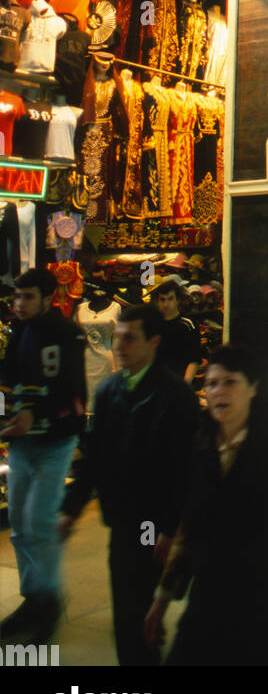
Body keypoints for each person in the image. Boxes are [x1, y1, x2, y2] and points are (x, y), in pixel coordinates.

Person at [144, 343, 268, 665]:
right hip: (210, 595)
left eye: (230, 382)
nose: (218, 391)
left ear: (253, 387)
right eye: (211, 383)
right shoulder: (201, 444)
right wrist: (162, 598)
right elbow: (189, 525)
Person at [60, 304, 198, 665]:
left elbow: (184, 468)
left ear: (153, 341)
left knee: (139, 597)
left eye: (129, 339)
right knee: (126, 601)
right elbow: (92, 458)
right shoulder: (108, 393)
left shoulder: (174, 395)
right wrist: (70, 510)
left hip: (152, 521)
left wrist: (169, 527)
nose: (119, 346)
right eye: (117, 338)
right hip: (121, 517)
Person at [0, 270, 86, 643]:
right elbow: (4, 380)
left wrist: (36, 412)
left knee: (39, 522)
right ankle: (33, 598)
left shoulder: (66, 332)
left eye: (28, 297)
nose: (19, 304)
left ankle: (48, 602)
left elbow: (73, 390)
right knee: (20, 525)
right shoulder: (18, 331)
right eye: (17, 297)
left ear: (49, 296)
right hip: (21, 444)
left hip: (54, 443)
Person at [152, 278, 203, 383]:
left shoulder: (188, 325)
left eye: (170, 299)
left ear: (177, 300)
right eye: (162, 299)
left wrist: (185, 386)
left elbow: (194, 359)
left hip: (179, 382)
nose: (166, 304)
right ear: (157, 301)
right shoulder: (152, 323)